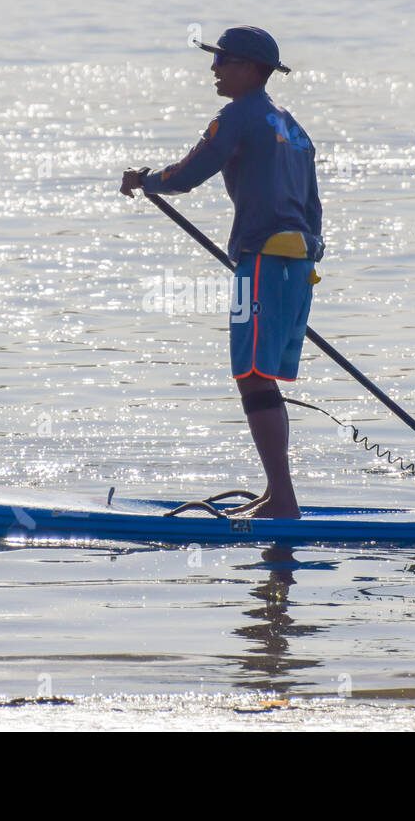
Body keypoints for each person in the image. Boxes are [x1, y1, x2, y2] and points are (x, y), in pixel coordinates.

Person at [119, 26, 323, 519]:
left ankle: (283, 501)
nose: (213, 68)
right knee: (262, 375)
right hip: (299, 263)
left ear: (253, 69)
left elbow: (188, 175)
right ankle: (279, 496)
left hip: (264, 260)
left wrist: (145, 180)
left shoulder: (238, 116)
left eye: (223, 60)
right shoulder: (292, 127)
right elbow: (314, 206)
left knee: (252, 376)